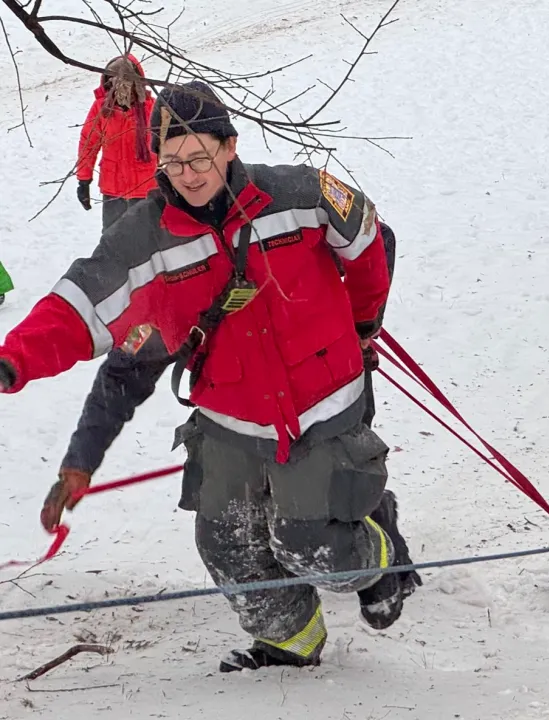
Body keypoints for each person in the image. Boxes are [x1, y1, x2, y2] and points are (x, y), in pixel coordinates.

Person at [0, 80, 419, 673]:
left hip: (323, 406)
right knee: (227, 544)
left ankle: (380, 546)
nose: (188, 175)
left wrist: (362, 323)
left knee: (311, 546)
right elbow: (87, 311)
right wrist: (13, 364)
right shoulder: (145, 241)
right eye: (172, 163)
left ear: (229, 145)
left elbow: (371, 237)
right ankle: (291, 642)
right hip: (228, 421)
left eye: (199, 157)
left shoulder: (298, 193)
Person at [52, 220, 397, 506]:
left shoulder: (266, 232)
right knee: (240, 532)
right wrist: (80, 461)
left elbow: (375, 238)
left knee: (338, 506)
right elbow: (119, 379)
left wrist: (361, 326)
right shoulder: (145, 312)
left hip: (326, 399)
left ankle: (382, 568)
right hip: (239, 423)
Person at [75, 54, 159, 228]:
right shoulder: (101, 109)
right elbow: (88, 143)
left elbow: (168, 148)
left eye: (126, 80)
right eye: (113, 81)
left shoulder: (154, 108)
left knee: (148, 242)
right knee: (112, 242)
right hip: (113, 189)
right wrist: (84, 180)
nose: (120, 87)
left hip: (147, 188)